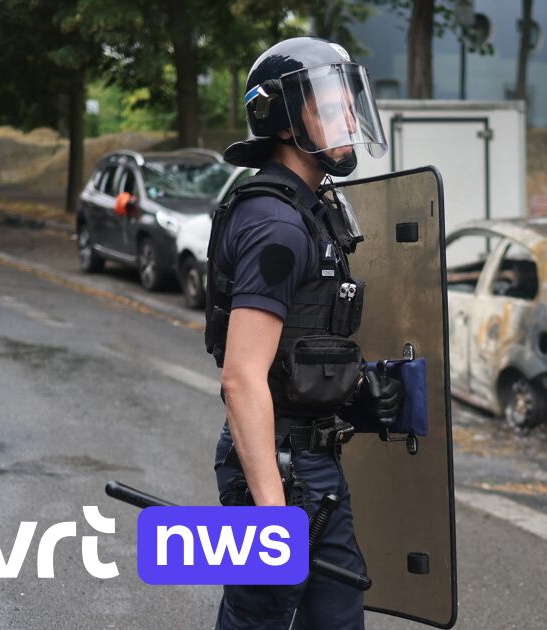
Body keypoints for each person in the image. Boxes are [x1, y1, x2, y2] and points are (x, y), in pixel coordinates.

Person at [205, 37, 403, 630]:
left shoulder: (307, 211)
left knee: (337, 617)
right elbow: (241, 379)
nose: (348, 118)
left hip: (309, 466)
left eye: (349, 102)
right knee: (256, 620)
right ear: (286, 121)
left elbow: (297, 345)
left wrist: (355, 387)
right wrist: (271, 514)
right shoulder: (276, 226)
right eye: (328, 104)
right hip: (279, 471)